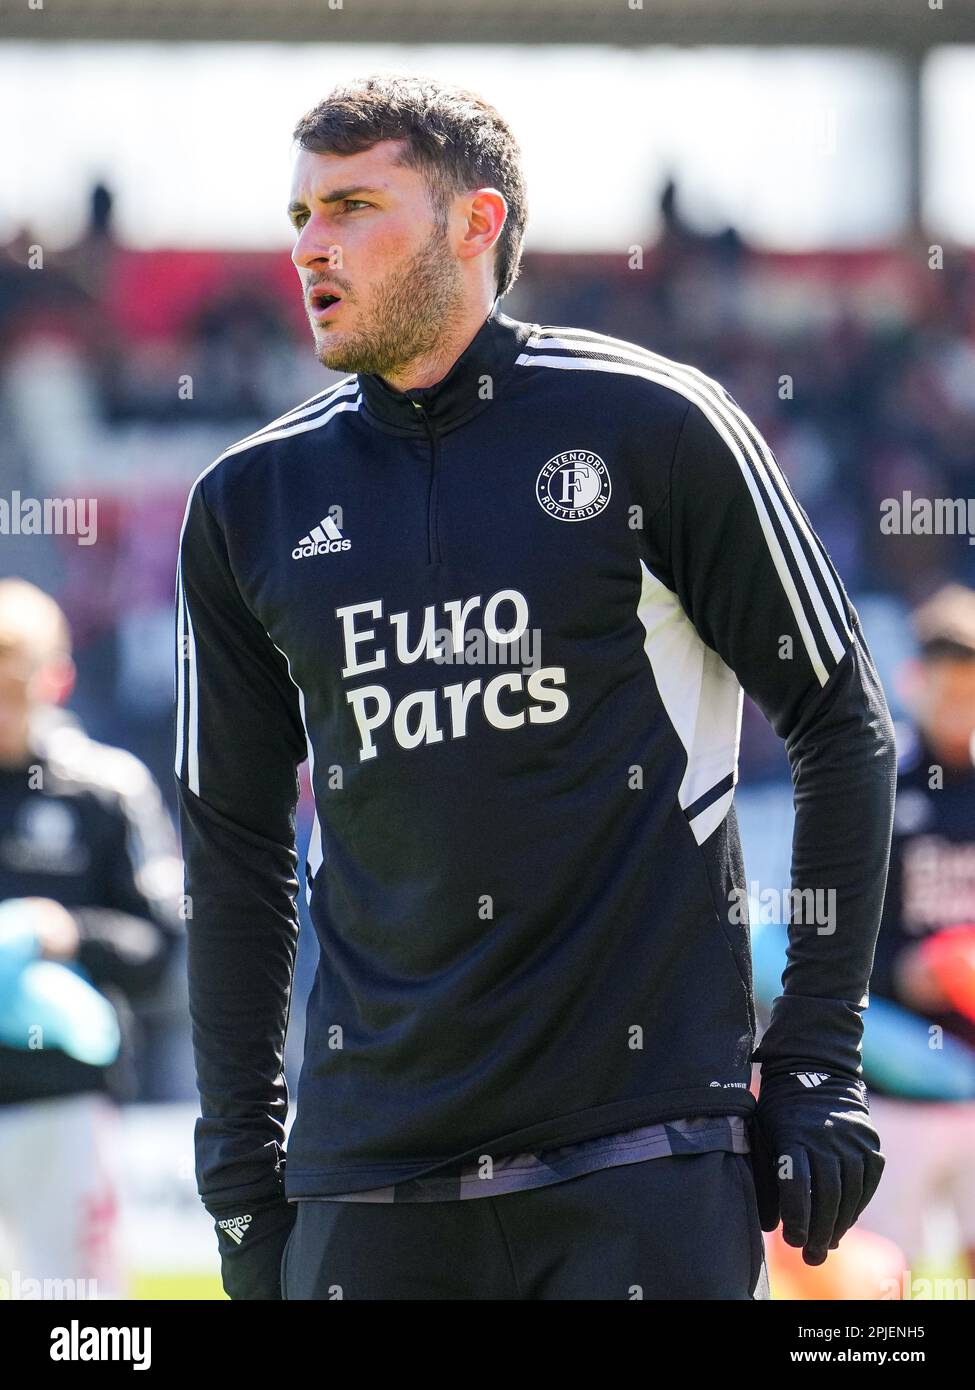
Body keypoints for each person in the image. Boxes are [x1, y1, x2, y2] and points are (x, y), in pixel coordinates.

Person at [175, 73, 896, 1301]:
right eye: (299, 214)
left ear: (477, 221)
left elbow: (843, 724)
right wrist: (241, 1161)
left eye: (352, 205)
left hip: (642, 1150)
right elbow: (232, 843)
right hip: (367, 1173)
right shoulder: (248, 501)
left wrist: (817, 1054)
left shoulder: (658, 425)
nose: (309, 246)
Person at [0, 579, 182, 1297]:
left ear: (58, 678)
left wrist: (64, 933)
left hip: (63, 1105)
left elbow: (160, 950)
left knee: (78, 1319)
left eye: (13, 687)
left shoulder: (107, 789)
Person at [864, 584, 975, 1272]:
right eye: (946, 687)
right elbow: (823, 931)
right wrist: (904, 972)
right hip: (895, 1085)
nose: (957, 705)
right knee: (884, 1274)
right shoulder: (876, 785)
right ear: (914, 681)